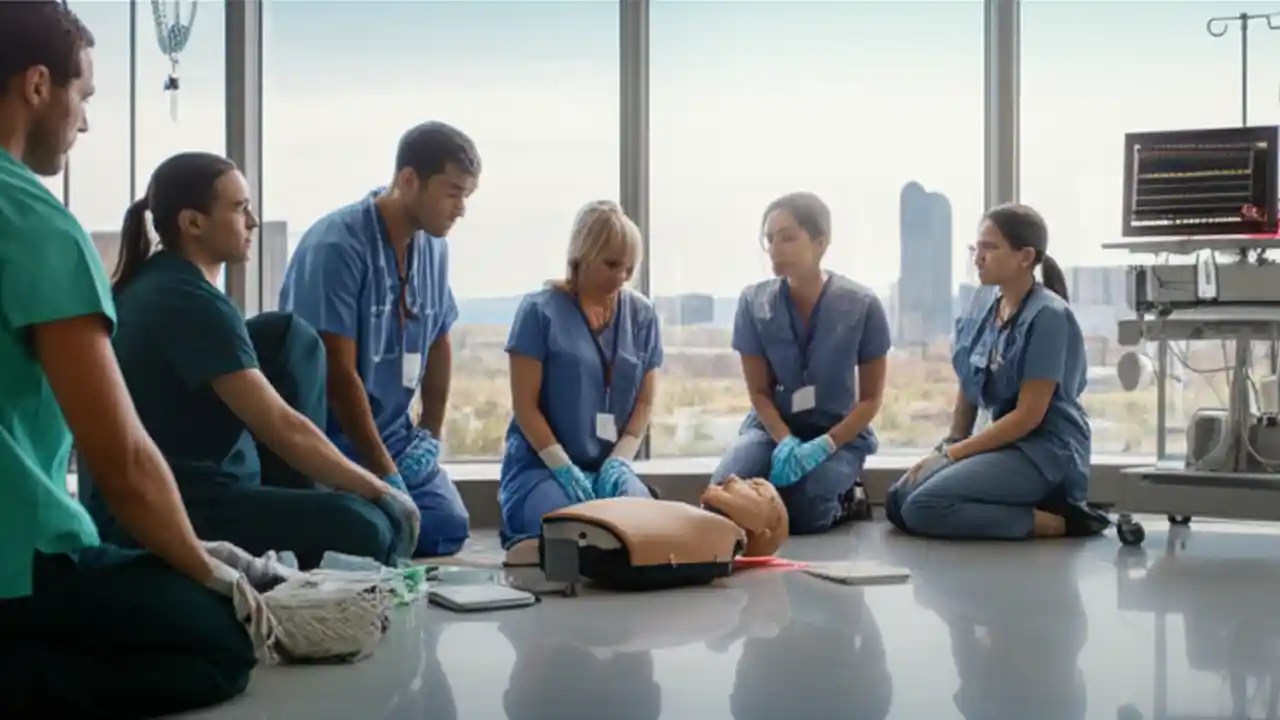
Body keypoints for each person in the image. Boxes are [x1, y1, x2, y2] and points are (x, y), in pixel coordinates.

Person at [0, 3, 268, 715]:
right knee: (218, 640)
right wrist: (204, 566)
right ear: (37, 86)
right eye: (83, 95)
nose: (85, 122)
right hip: (15, 564)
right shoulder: (35, 226)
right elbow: (119, 461)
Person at [79, 151, 421, 569]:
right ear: (193, 223)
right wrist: (380, 489)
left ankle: (301, 506)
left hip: (166, 488)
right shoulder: (190, 303)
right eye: (240, 209)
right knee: (369, 527)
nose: (253, 221)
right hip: (172, 506)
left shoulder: (160, 279)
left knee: (288, 336)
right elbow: (282, 426)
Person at [280, 121, 477, 557]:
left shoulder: (434, 246)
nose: (461, 208)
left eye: (467, 195)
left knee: (446, 525)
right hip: (333, 438)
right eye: (452, 192)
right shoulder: (337, 246)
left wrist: (429, 434)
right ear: (409, 179)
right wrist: (385, 478)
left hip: (394, 435)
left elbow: (439, 337)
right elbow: (338, 374)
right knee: (373, 532)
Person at [883, 203, 1108, 540]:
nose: (979, 258)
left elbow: (1028, 416)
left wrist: (953, 456)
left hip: (1042, 450)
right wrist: (951, 443)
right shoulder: (983, 305)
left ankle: (1060, 522)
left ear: (1025, 257)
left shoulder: (1049, 316)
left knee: (923, 508)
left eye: (990, 248)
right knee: (897, 502)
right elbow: (969, 380)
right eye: (976, 248)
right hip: (1001, 444)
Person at [710, 192, 889, 534]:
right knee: (723, 498)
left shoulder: (862, 305)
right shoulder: (753, 303)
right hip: (771, 427)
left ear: (820, 242)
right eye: (770, 239)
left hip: (836, 432)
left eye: (788, 237)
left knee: (807, 511)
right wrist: (785, 440)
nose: (775, 248)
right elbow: (759, 392)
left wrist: (825, 445)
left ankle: (850, 497)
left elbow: (870, 400)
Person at [498, 200, 663, 548]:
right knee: (574, 534)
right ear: (582, 254)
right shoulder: (539, 311)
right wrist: (561, 466)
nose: (621, 277)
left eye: (629, 268)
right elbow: (525, 408)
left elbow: (645, 402)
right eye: (612, 265)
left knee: (643, 531)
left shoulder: (642, 315)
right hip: (543, 467)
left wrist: (618, 463)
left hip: (608, 468)